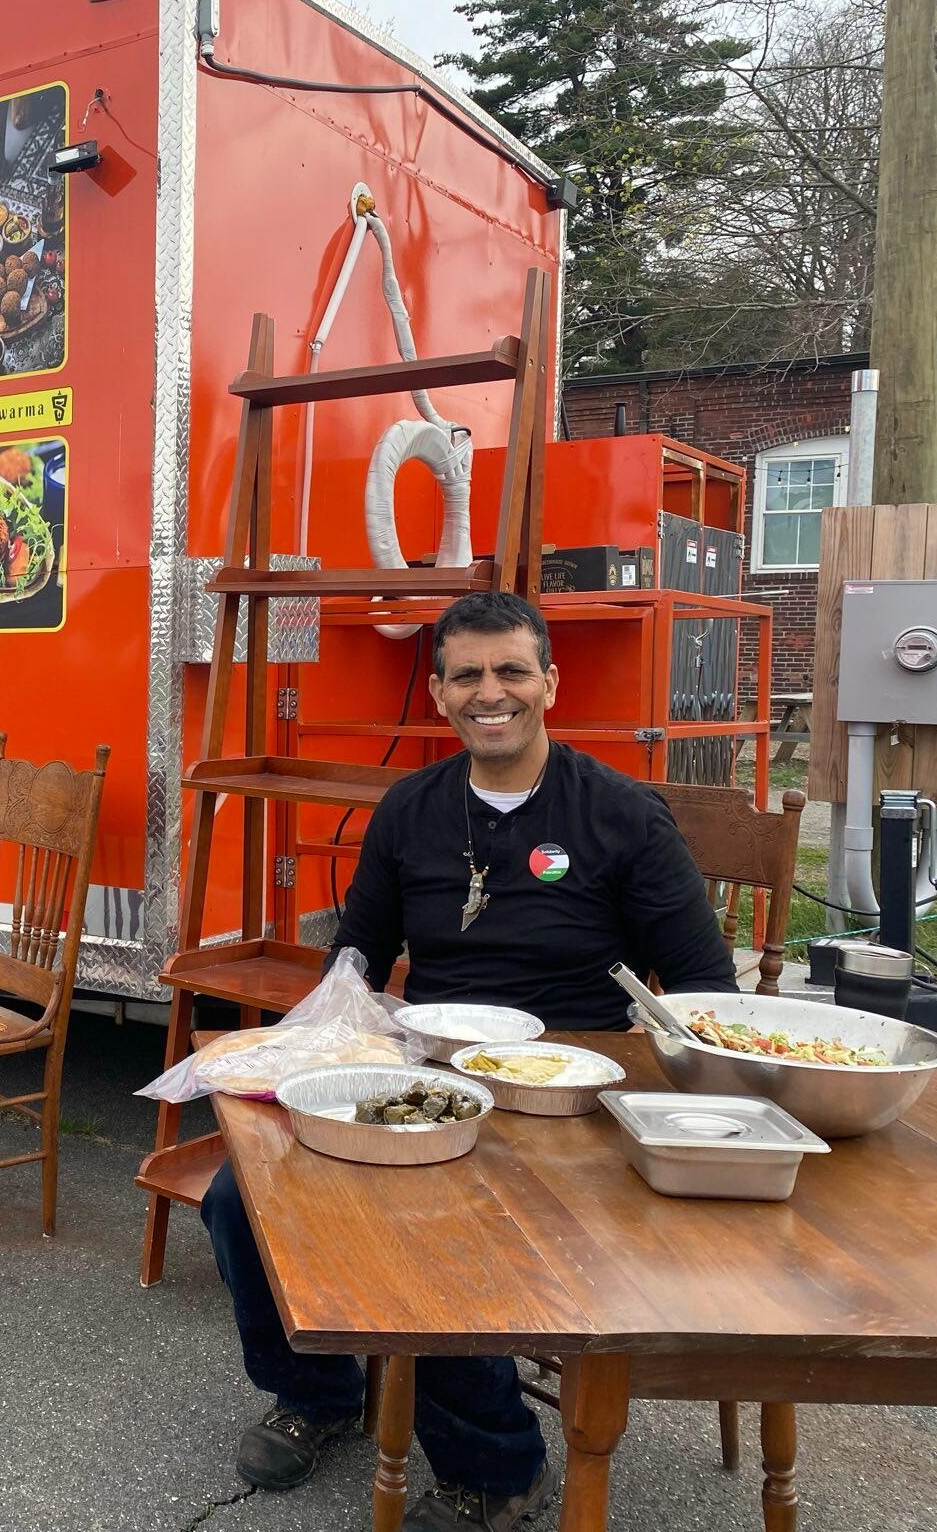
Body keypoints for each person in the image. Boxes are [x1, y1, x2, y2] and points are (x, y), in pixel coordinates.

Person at [199, 590, 739, 1530]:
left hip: (571, 1090)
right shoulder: (410, 809)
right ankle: (320, 1396)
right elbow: (356, 959)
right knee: (238, 1195)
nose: (491, 693)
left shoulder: (621, 815)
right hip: (433, 1072)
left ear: (549, 684)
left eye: (511, 671)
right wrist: (316, 1047)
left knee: (437, 1227)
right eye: (467, 676)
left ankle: (495, 1465)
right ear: (442, 695)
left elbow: (701, 988)